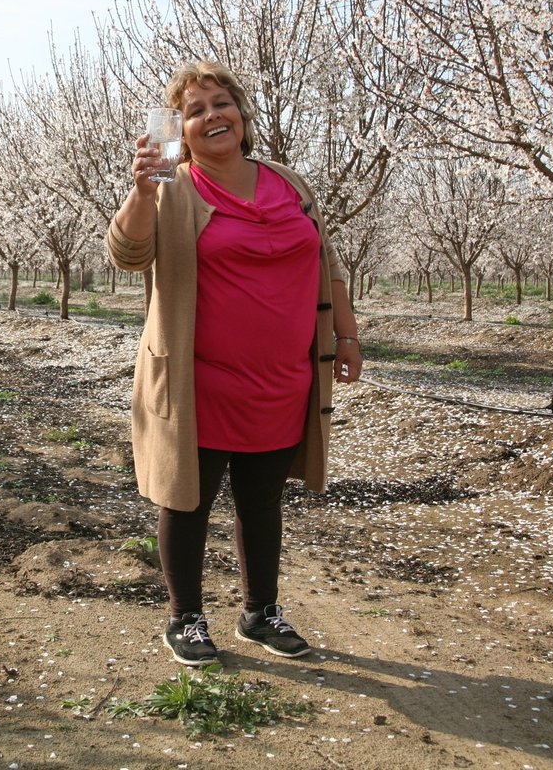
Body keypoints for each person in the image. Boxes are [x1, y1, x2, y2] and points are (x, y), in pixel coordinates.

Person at [106, 60, 362, 666]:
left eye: (220, 103)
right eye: (193, 111)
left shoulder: (290, 183)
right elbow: (127, 253)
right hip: (199, 382)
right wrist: (141, 192)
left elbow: (325, 263)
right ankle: (186, 618)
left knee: (262, 498)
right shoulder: (173, 189)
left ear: (242, 115)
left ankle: (259, 611)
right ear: (181, 131)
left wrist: (347, 336)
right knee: (186, 498)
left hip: (280, 380)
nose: (210, 116)